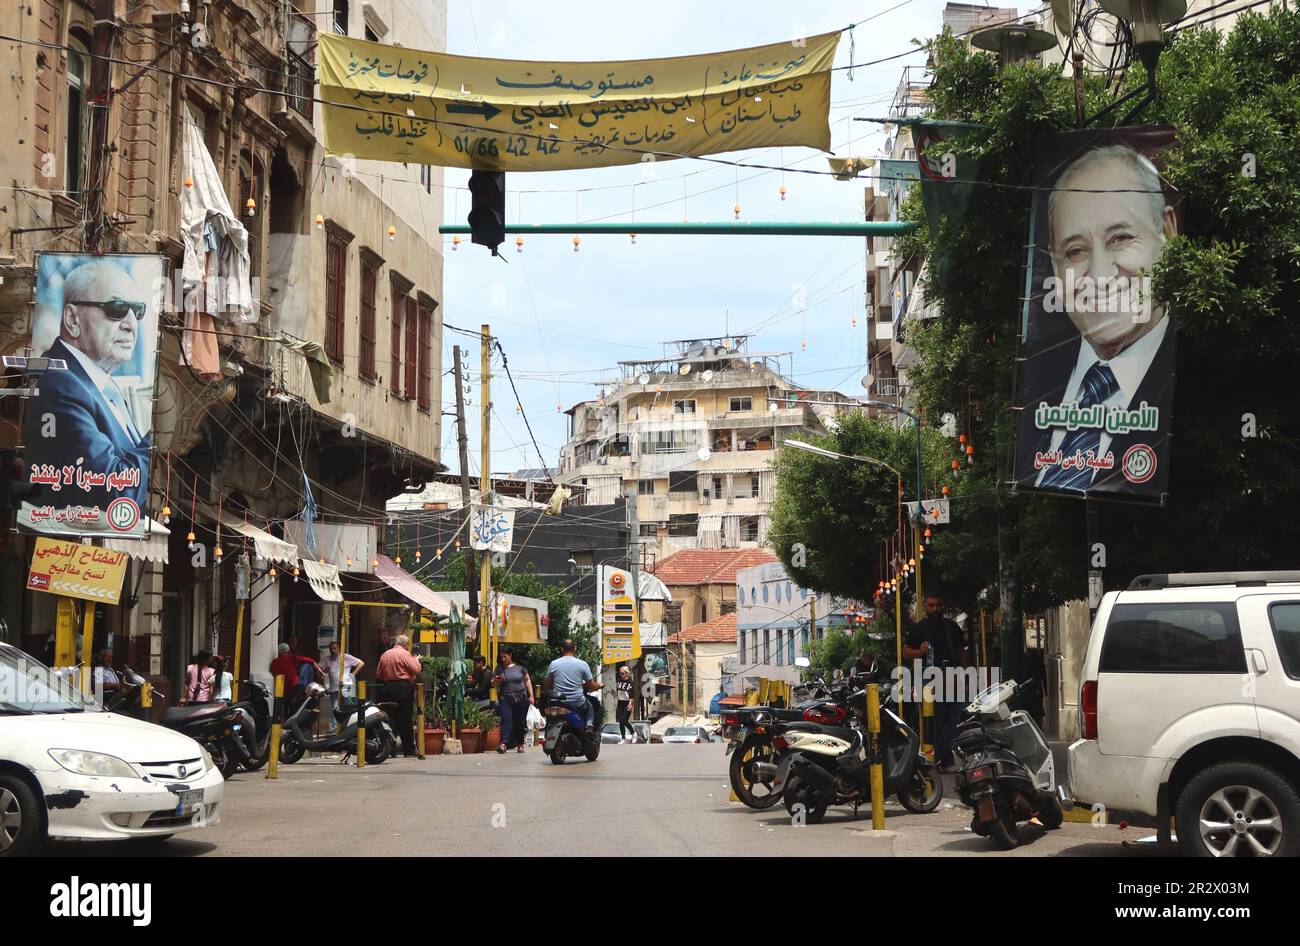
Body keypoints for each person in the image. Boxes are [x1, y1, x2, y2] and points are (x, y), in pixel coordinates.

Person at [1018, 141, 1178, 494]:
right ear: (1057, 267)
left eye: (1120, 238)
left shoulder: (1198, 373)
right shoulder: (1035, 379)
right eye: (1075, 251)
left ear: (1167, 233)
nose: (1100, 275)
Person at [24, 260, 152, 514]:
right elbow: (115, 492)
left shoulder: (97, 382)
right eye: (116, 309)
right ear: (73, 319)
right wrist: (156, 443)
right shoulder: (60, 384)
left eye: (136, 311)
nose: (131, 324)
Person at [903, 592, 970, 773]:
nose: (935, 609)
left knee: (961, 713)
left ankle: (938, 756)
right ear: (925, 607)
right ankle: (944, 760)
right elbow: (905, 652)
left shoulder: (951, 626)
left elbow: (962, 651)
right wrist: (920, 652)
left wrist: (966, 677)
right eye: (931, 606)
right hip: (929, 679)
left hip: (953, 676)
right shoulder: (919, 629)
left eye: (938, 606)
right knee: (938, 720)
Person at [375, 634, 421, 757]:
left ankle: (389, 750)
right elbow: (416, 669)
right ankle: (409, 751)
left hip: (387, 688)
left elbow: (379, 674)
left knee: (390, 719)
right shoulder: (405, 654)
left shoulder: (385, 654)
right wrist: (416, 660)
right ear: (405, 644)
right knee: (405, 719)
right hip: (402, 688)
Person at [544, 639, 602, 733]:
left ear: (562, 649)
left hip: (558, 703)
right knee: (590, 706)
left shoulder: (554, 664)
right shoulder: (582, 664)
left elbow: (546, 685)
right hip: (577, 702)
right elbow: (591, 686)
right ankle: (589, 726)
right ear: (575, 649)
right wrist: (599, 685)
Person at [492, 646, 533, 753]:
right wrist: (496, 680)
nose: (503, 659)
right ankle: (503, 743)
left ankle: (520, 744)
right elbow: (492, 683)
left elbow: (527, 680)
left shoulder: (520, 667)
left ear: (510, 655)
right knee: (506, 720)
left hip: (520, 698)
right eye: (501, 657)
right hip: (505, 698)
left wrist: (531, 695)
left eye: (505, 657)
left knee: (519, 721)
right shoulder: (499, 668)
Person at [320, 640, 365, 732]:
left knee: (349, 707)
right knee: (335, 709)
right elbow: (320, 673)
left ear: (339, 648)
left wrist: (353, 674)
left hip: (347, 685)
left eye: (334, 648)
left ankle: (350, 726)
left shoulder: (346, 657)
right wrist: (325, 671)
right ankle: (334, 728)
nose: (332, 650)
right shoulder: (326, 659)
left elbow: (361, 663)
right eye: (331, 649)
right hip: (333, 688)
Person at [270, 642, 320, 714]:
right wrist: (318, 670)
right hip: (294, 685)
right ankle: (308, 689)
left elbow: (273, 672)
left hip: (280, 687)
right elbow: (310, 660)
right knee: (307, 666)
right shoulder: (292, 657)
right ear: (288, 650)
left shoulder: (274, 662)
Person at [614, 666, 636, 743]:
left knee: (624, 720)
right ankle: (623, 738)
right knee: (621, 721)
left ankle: (633, 733)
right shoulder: (619, 681)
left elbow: (632, 695)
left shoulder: (631, 682)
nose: (621, 675)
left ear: (627, 673)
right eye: (620, 673)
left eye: (622, 673)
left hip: (627, 703)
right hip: (620, 702)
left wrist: (630, 704)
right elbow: (618, 692)